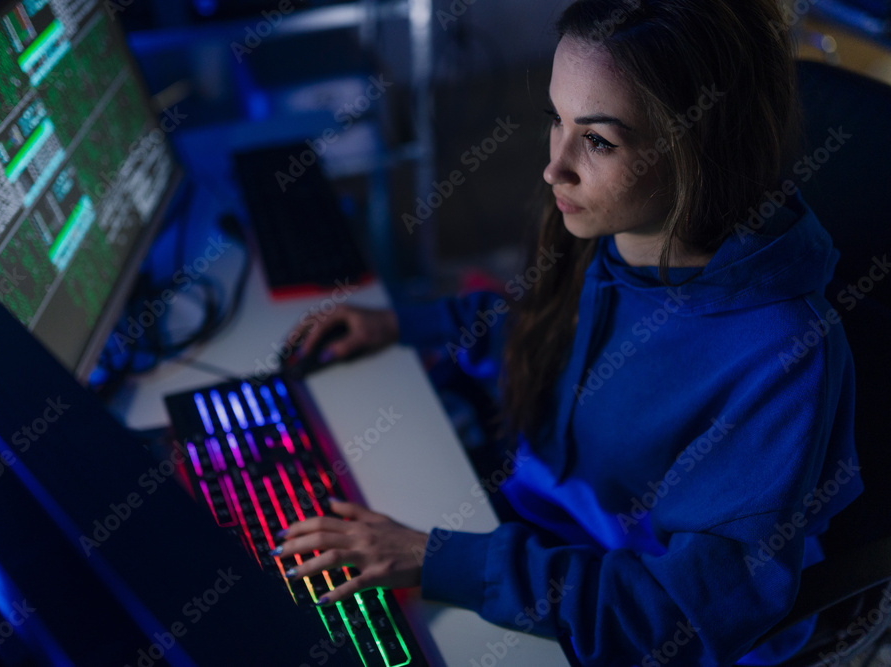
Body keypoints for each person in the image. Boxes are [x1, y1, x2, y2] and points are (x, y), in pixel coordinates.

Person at [272, 0, 863, 664]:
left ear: (702, 147)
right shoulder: (604, 226)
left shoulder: (785, 358)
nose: (555, 167)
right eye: (558, 119)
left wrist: (435, 558)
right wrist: (408, 323)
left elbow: (676, 616)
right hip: (544, 534)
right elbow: (546, 332)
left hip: (621, 620)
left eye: (600, 140)